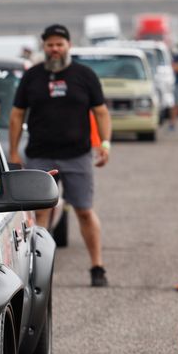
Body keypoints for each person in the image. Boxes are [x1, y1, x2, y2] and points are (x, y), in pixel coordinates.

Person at [8, 24, 112, 287]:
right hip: (40, 156)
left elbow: (100, 111)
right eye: (50, 45)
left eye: (59, 44)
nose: (54, 49)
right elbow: (17, 114)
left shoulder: (84, 75)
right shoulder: (32, 77)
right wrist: (12, 150)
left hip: (77, 156)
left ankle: (97, 267)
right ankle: (37, 272)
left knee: (84, 211)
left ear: (68, 46)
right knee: (41, 214)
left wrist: (106, 143)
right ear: (44, 47)